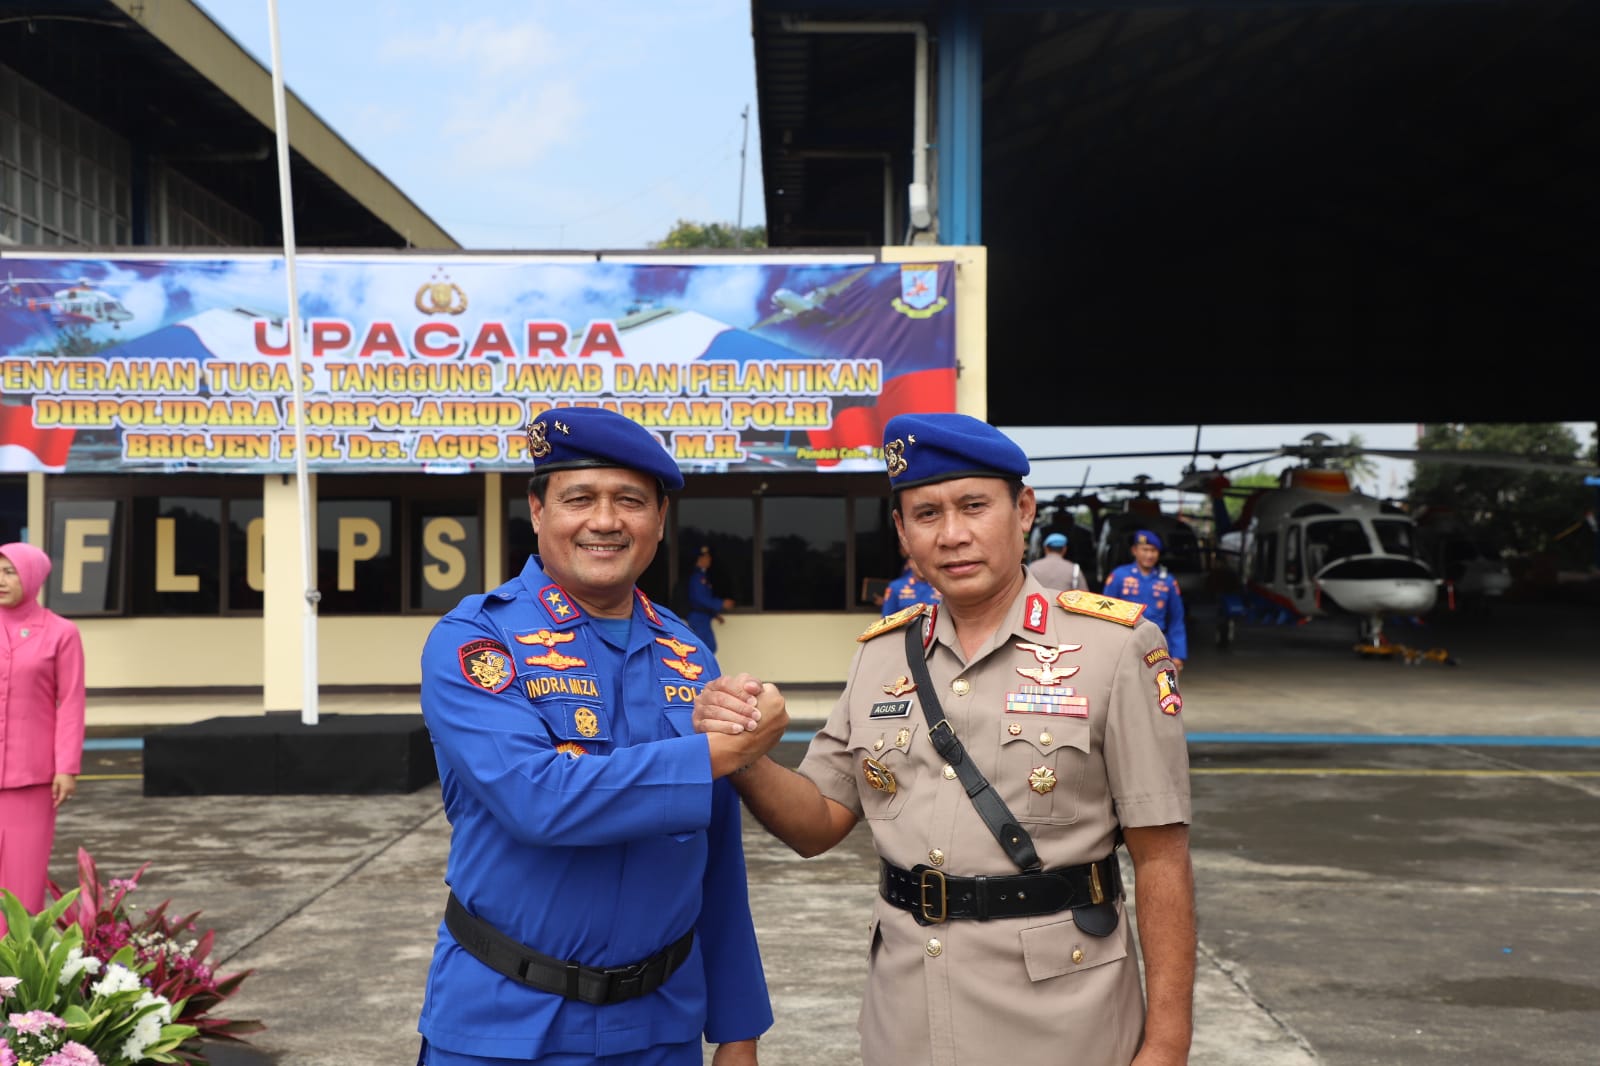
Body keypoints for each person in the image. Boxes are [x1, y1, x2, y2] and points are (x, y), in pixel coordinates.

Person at [695, 413, 1195, 1066]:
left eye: (973, 506)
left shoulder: (1114, 648)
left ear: (1022, 510)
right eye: (926, 513)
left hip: (1064, 1018)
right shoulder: (881, 656)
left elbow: (1162, 859)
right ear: (902, 532)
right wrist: (744, 752)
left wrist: (1165, 1045)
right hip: (908, 1012)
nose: (953, 534)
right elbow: (817, 822)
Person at [415, 407, 788, 1066]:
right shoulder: (476, 640)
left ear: (660, 519)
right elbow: (536, 798)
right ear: (536, 511)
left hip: (661, 1029)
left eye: (631, 501)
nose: (607, 521)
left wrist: (738, 1028)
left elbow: (718, 857)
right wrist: (711, 753)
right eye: (579, 498)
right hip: (505, 1025)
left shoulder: (687, 653)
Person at [0, 542, 85, 928]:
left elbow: (70, 702)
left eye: (10, 571)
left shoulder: (61, 633)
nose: (1, 580)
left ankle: (13, 976)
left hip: (32, 778)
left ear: (32, 576)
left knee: (21, 884)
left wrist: (66, 766)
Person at [1103, 529, 1188, 671]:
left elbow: (1176, 619)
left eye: (1153, 550)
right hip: (1125, 642)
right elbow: (1105, 614)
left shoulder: (1167, 581)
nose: (1149, 555)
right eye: (1145, 550)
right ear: (1134, 550)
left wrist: (1178, 654)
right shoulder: (1119, 576)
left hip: (1156, 644)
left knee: (1156, 689)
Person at [685, 545, 736, 654]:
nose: (709, 559)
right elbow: (700, 599)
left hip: (703, 617)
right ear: (700, 559)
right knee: (705, 649)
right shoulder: (697, 577)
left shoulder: (703, 576)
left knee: (708, 648)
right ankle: (700, 671)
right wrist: (722, 603)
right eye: (707, 557)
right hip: (698, 618)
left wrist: (714, 615)